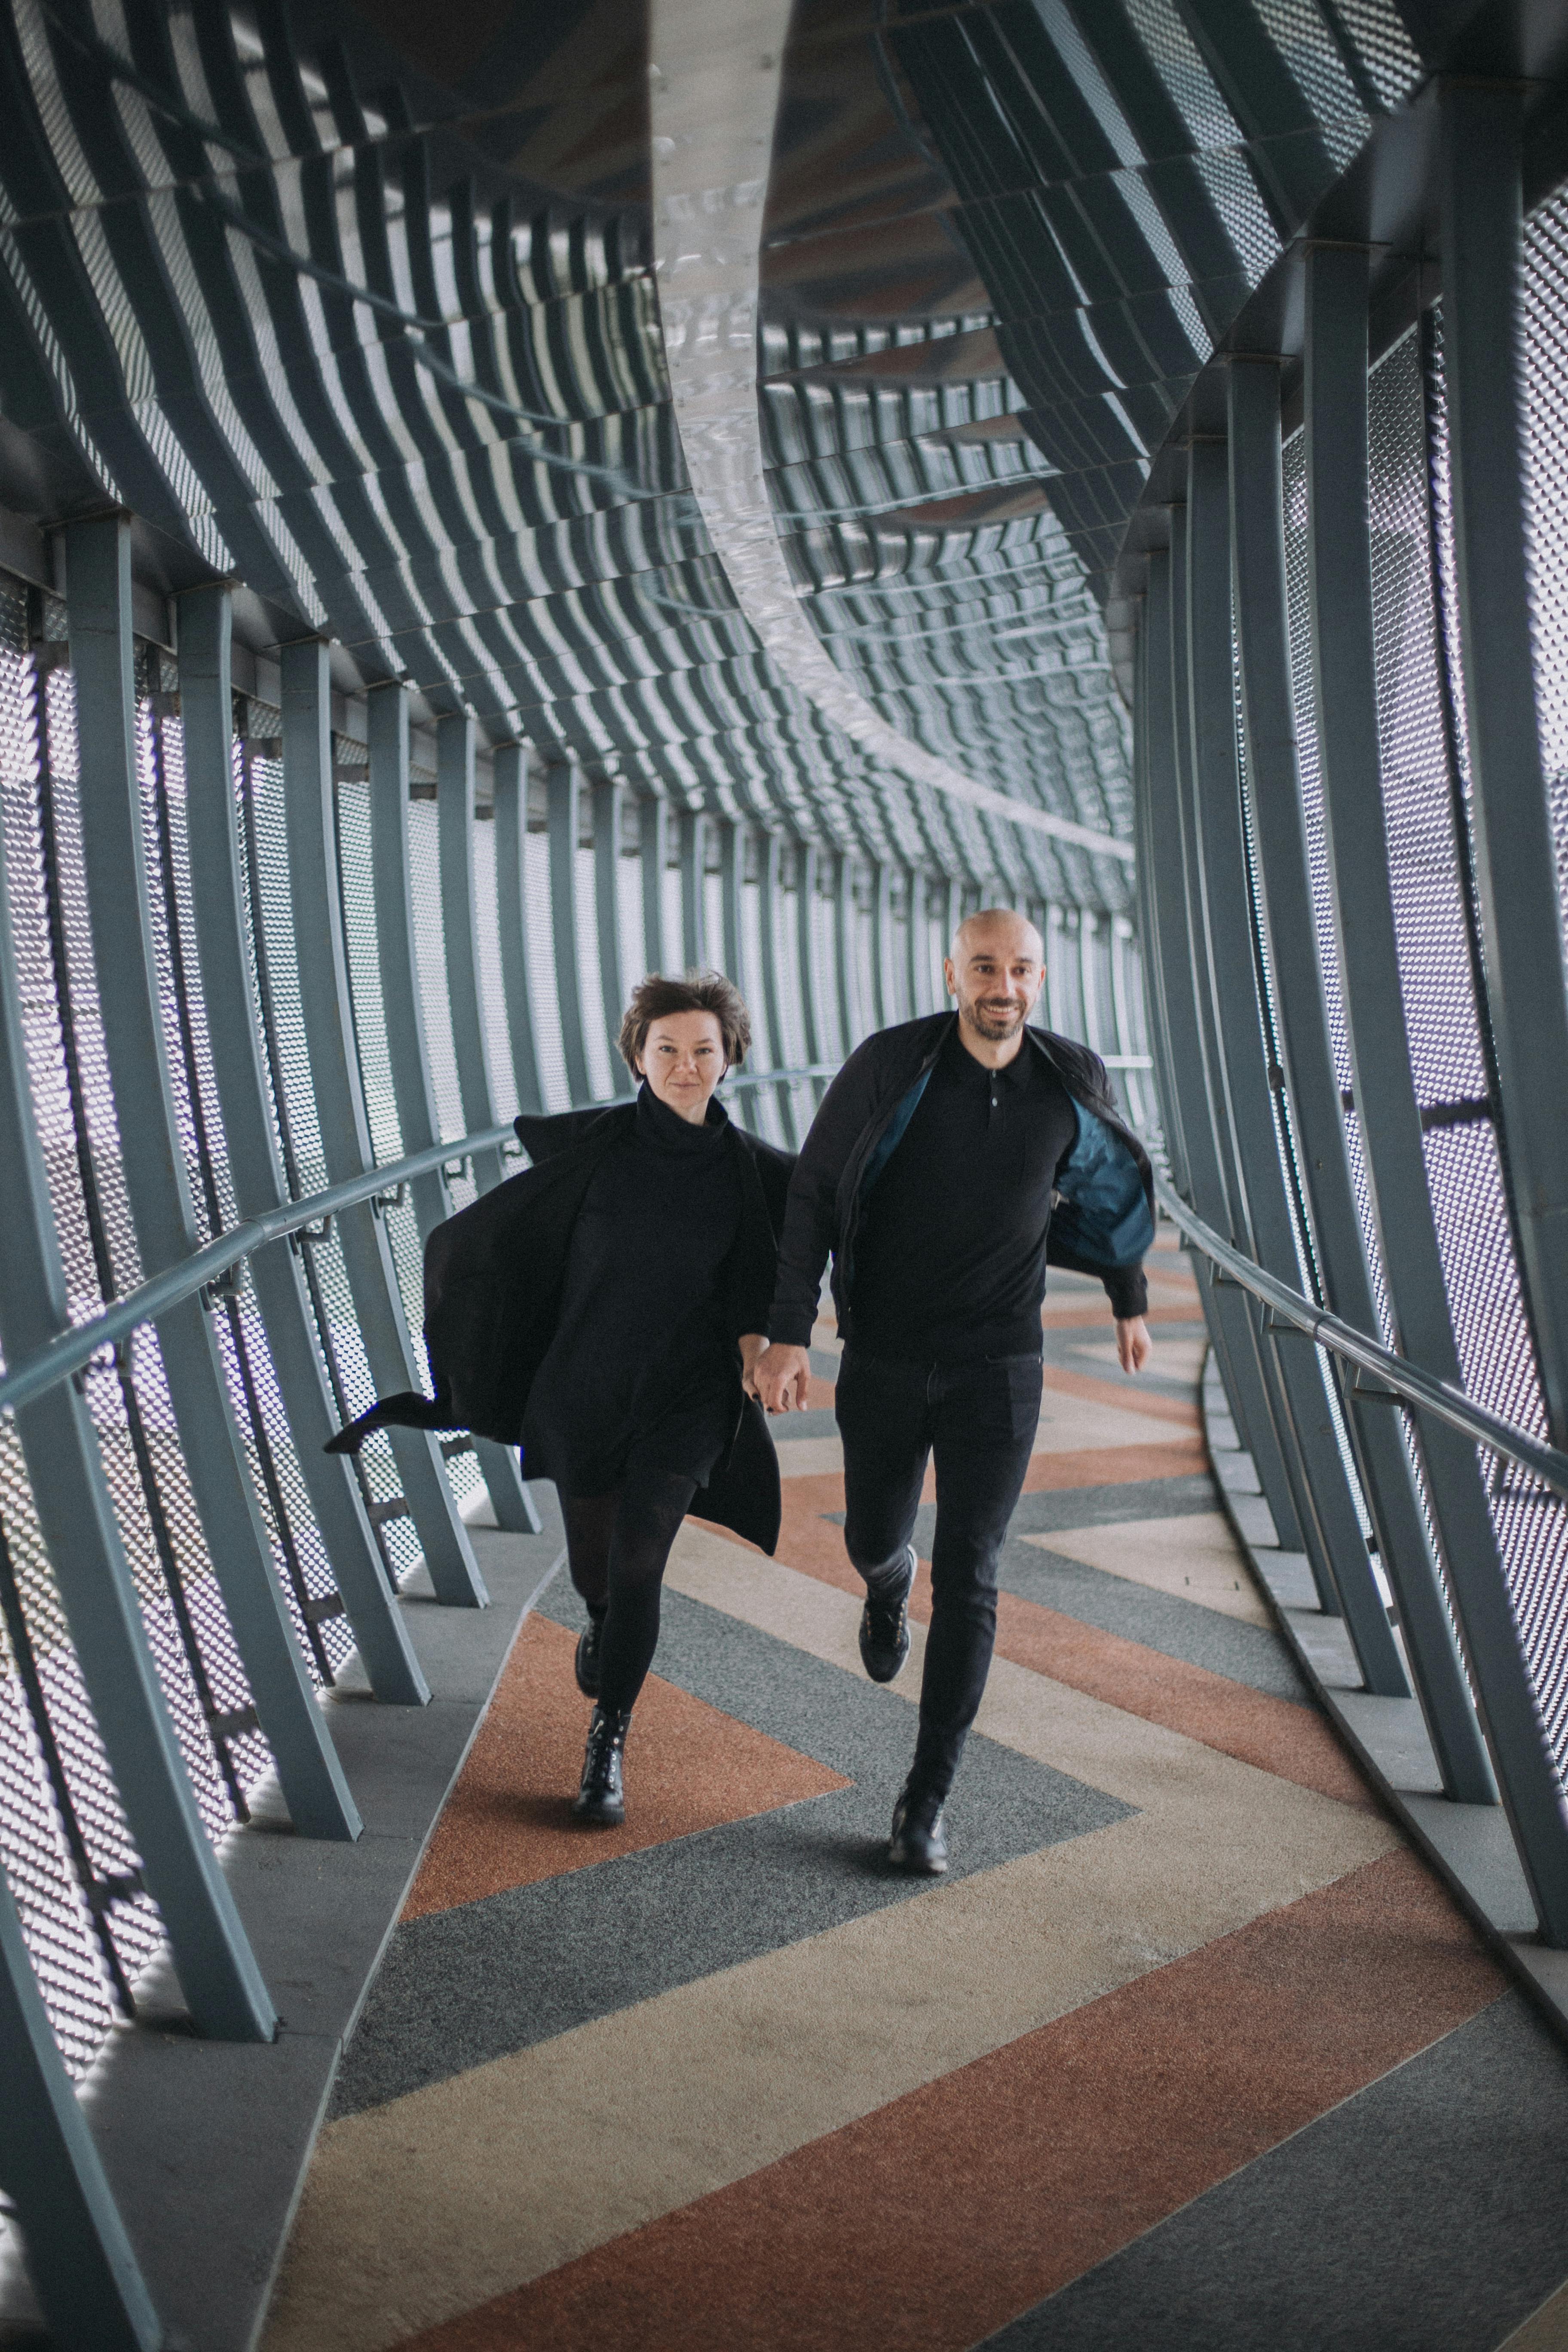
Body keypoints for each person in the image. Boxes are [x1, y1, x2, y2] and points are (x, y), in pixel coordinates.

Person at [328, 971, 793, 1829]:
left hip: (687, 1398)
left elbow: (756, 1295)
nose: (686, 1066)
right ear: (638, 1056)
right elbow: (508, 1250)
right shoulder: (592, 1151)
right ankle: (604, 1621)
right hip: (587, 1385)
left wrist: (763, 1357)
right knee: (599, 1573)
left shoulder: (755, 1175)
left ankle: (607, 1740)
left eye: (703, 1050)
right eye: (668, 1050)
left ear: (730, 1059)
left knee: (641, 1557)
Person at [753, 909, 1153, 1875]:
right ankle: (885, 1586)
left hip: (1000, 1368)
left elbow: (1106, 1187)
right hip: (888, 1355)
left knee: (972, 1574)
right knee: (873, 1536)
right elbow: (811, 1191)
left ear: (1041, 980)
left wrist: (1129, 1299)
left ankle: (924, 1802)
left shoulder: (1069, 1077)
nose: (1001, 986)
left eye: (1019, 970)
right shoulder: (892, 1066)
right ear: (952, 974)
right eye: (984, 967)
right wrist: (787, 1331)